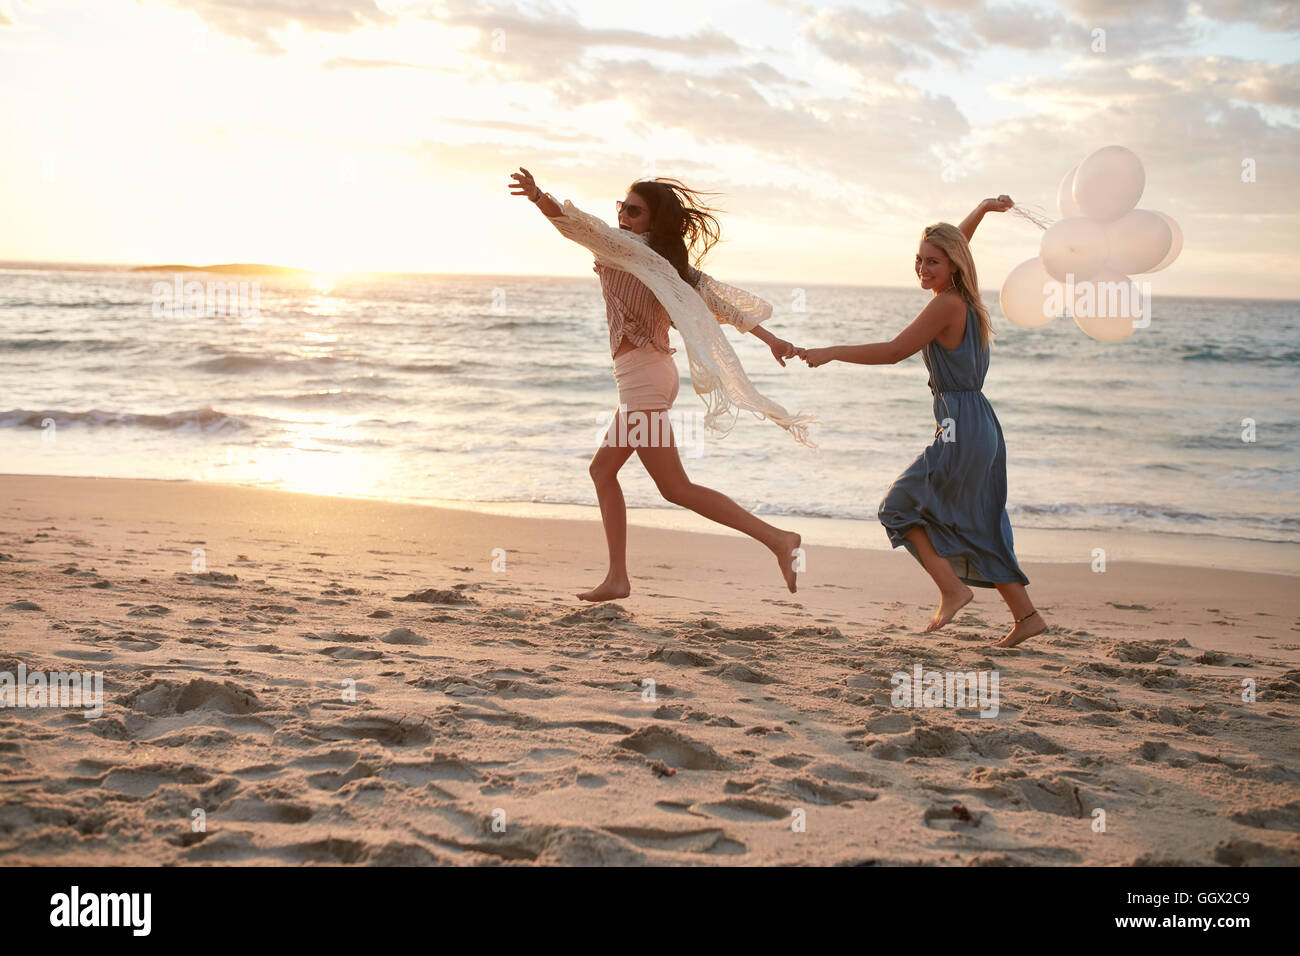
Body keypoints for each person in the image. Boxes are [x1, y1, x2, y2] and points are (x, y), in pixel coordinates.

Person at [508, 167, 811, 602]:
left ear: (652, 221)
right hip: (646, 376)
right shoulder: (663, 262)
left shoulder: (630, 249)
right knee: (605, 470)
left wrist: (540, 198)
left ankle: (778, 540)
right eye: (621, 208)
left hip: (644, 381)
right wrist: (770, 340)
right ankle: (617, 578)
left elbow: (576, 225)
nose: (623, 217)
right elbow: (718, 301)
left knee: (675, 488)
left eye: (634, 210)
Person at [797, 195, 1046, 648]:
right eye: (918, 260)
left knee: (897, 507)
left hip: (960, 428)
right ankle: (1026, 616)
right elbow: (957, 247)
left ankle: (952, 589)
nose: (922, 269)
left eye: (932, 262)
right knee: (979, 520)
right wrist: (983, 210)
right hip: (979, 424)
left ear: (953, 266)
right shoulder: (963, 299)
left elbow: (894, 351)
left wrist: (832, 351)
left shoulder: (946, 305)